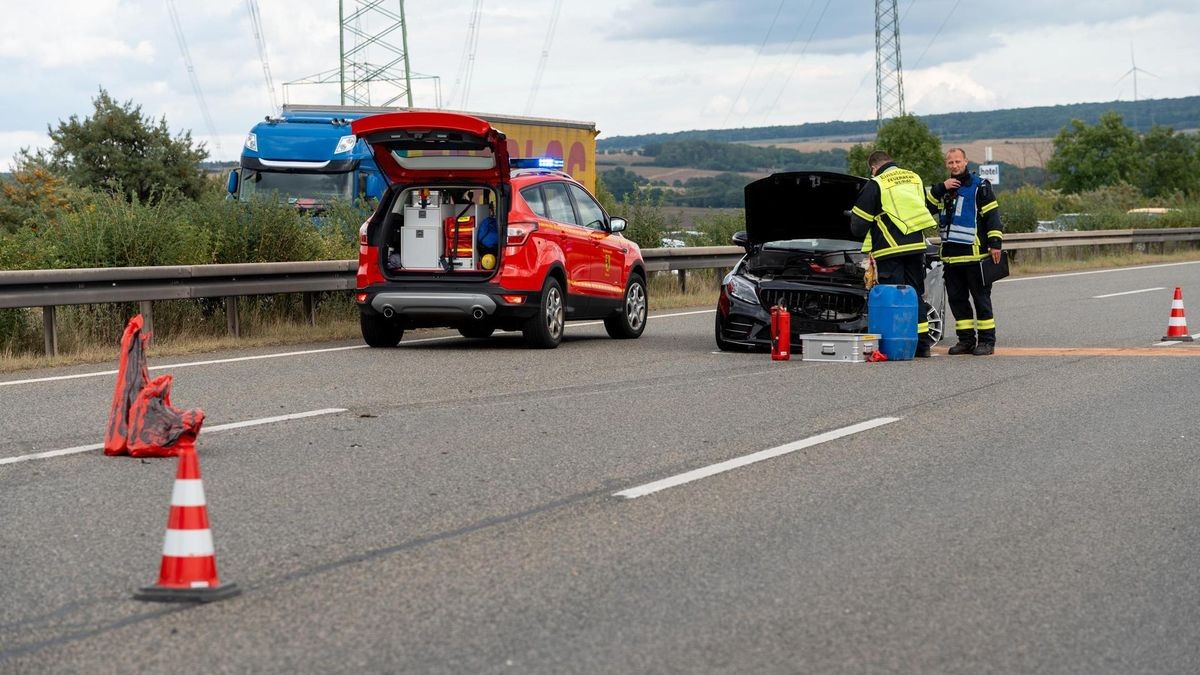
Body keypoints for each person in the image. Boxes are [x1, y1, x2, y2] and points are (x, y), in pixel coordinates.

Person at [849, 150, 940, 357]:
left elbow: (859, 224)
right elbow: (923, 206)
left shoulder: (877, 183)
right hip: (916, 247)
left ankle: (898, 344)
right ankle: (922, 345)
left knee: (896, 298)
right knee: (915, 295)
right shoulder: (913, 177)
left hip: (890, 249)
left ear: (873, 168)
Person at [926, 148, 1003, 356]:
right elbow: (925, 208)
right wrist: (940, 188)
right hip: (951, 258)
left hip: (975, 256)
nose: (954, 165)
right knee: (957, 301)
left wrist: (995, 243)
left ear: (966, 162)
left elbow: (992, 216)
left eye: (957, 161)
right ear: (946, 165)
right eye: (950, 162)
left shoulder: (980, 187)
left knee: (981, 299)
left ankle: (987, 341)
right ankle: (966, 340)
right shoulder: (942, 190)